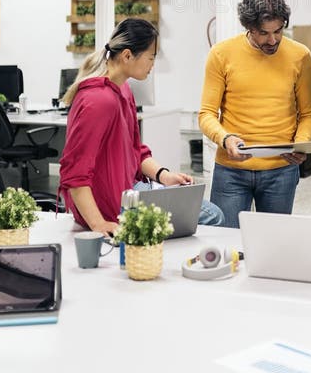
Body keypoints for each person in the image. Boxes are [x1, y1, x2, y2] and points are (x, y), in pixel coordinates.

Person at [60, 18, 224, 234]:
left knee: (205, 211)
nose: (153, 65)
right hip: (111, 206)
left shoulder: (123, 90)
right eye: (151, 57)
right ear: (127, 55)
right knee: (213, 216)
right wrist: (98, 224)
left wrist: (164, 176)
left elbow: (134, 150)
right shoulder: (99, 101)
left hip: (129, 191)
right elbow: (75, 175)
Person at [199, 0, 311, 228]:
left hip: (281, 170)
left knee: (273, 247)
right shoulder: (221, 54)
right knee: (226, 245)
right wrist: (225, 139)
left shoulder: (300, 56)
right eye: (263, 33)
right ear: (248, 27)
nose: (273, 40)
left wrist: (301, 142)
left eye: (278, 31)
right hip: (231, 171)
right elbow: (206, 114)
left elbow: (308, 115)